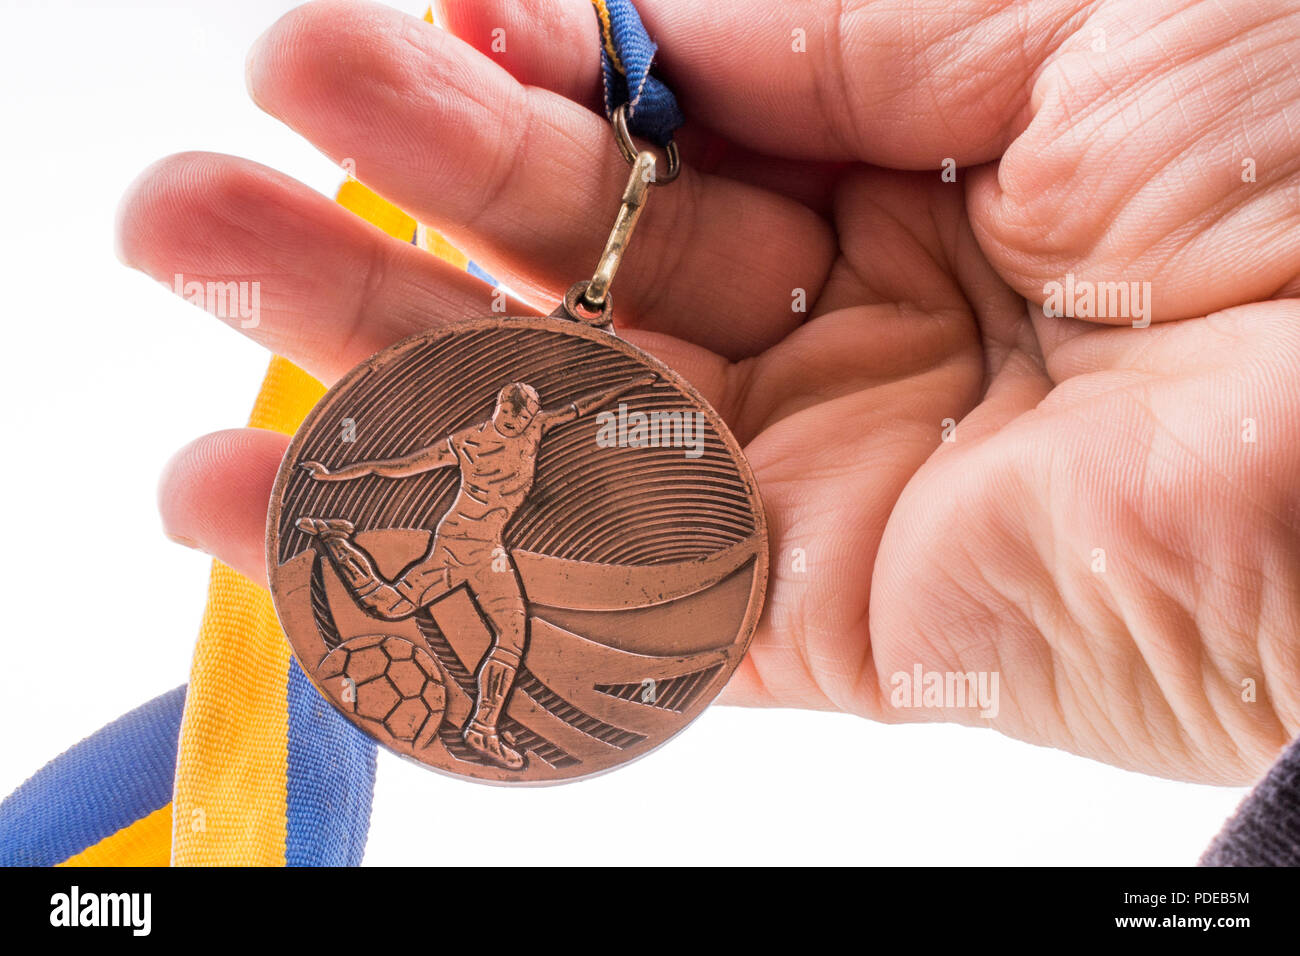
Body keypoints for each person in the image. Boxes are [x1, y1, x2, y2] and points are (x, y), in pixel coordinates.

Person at [118, 0, 1300, 860]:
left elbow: (536, 418)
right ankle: (371, 594)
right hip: (457, 549)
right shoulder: (481, 439)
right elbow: (402, 459)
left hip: (488, 559)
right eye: (521, 400)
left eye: (531, 400)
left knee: (475, 636)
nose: (523, 404)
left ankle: (458, 683)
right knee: (414, 595)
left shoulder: (536, 422)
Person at [294, 376, 652, 768]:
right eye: (507, 417)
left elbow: (584, 405)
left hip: (491, 551)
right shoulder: (468, 442)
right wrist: (334, 474)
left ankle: (482, 729)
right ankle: (336, 541)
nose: (514, 425)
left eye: (523, 418)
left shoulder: (536, 428)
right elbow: (398, 467)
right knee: (391, 607)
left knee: (512, 636)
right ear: (498, 408)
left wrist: (635, 382)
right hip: (455, 546)